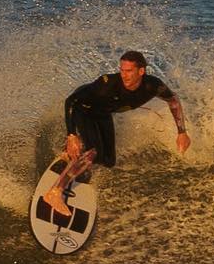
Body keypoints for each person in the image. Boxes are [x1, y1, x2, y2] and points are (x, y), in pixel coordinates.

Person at [42, 51, 190, 217]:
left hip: (103, 114)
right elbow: (71, 101)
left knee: (108, 161)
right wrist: (71, 135)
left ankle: (74, 155)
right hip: (83, 109)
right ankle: (55, 192)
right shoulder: (107, 84)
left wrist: (182, 132)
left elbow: (173, 100)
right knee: (94, 151)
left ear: (141, 71)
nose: (124, 75)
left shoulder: (152, 86)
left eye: (129, 71)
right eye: (122, 70)